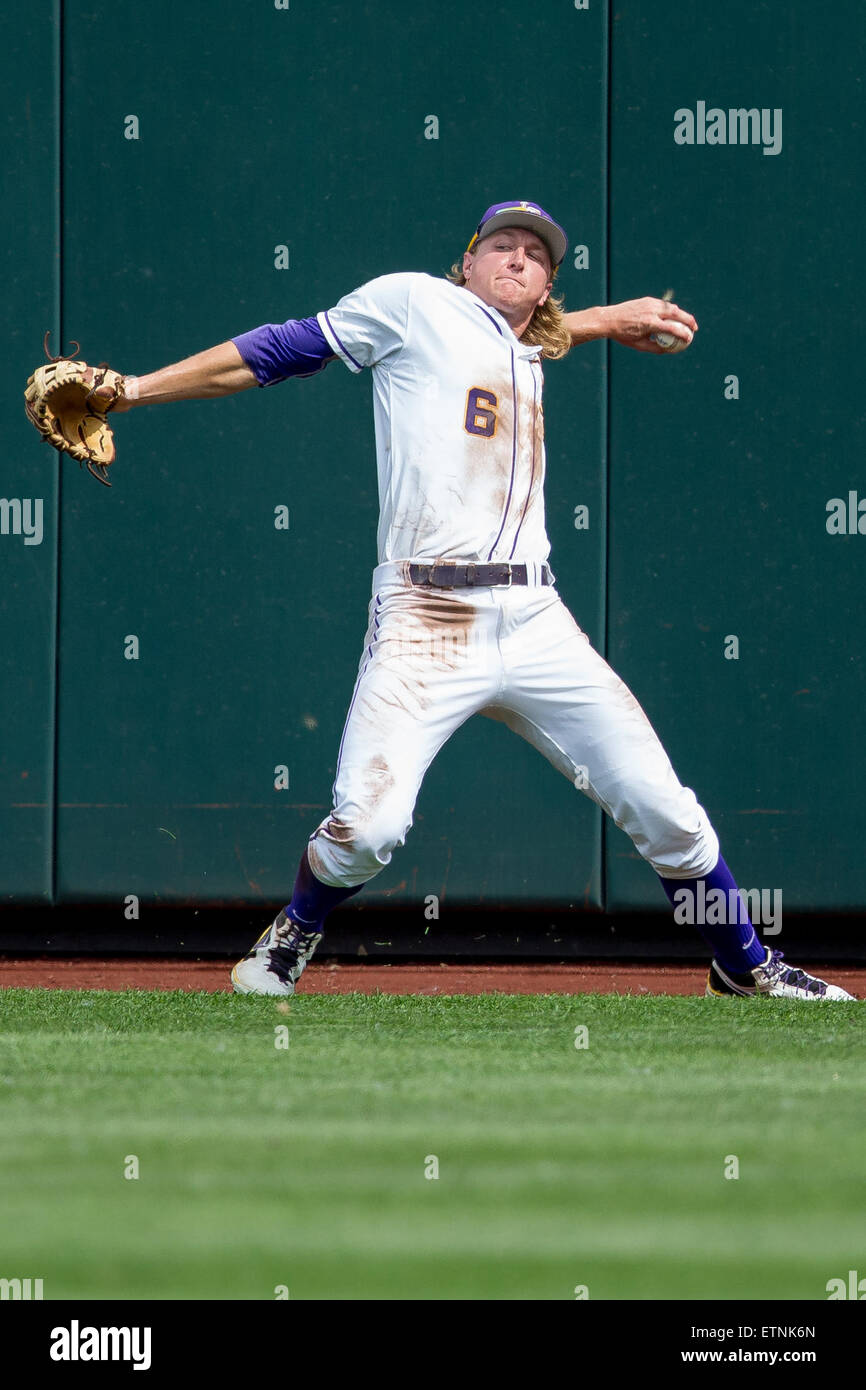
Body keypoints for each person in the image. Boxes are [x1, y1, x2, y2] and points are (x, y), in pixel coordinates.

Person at [105, 200, 854, 1002]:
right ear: (466, 261)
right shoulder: (412, 303)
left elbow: (532, 337)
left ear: (545, 291)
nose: (520, 257)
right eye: (503, 243)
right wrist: (133, 390)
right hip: (426, 618)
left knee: (665, 809)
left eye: (538, 255)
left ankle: (743, 965)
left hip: (536, 621)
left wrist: (608, 319)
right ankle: (295, 927)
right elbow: (282, 349)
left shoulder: (522, 342)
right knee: (369, 830)